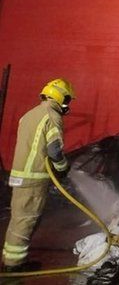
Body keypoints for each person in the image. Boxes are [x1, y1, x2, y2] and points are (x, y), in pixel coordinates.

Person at [2, 78, 73, 271]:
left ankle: (12, 260)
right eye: (67, 100)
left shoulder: (30, 114)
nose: (67, 105)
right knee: (25, 221)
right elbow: (54, 150)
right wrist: (62, 168)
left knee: (20, 218)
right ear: (59, 96)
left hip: (19, 175)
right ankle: (14, 265)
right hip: (33, 178)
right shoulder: (52, 116)